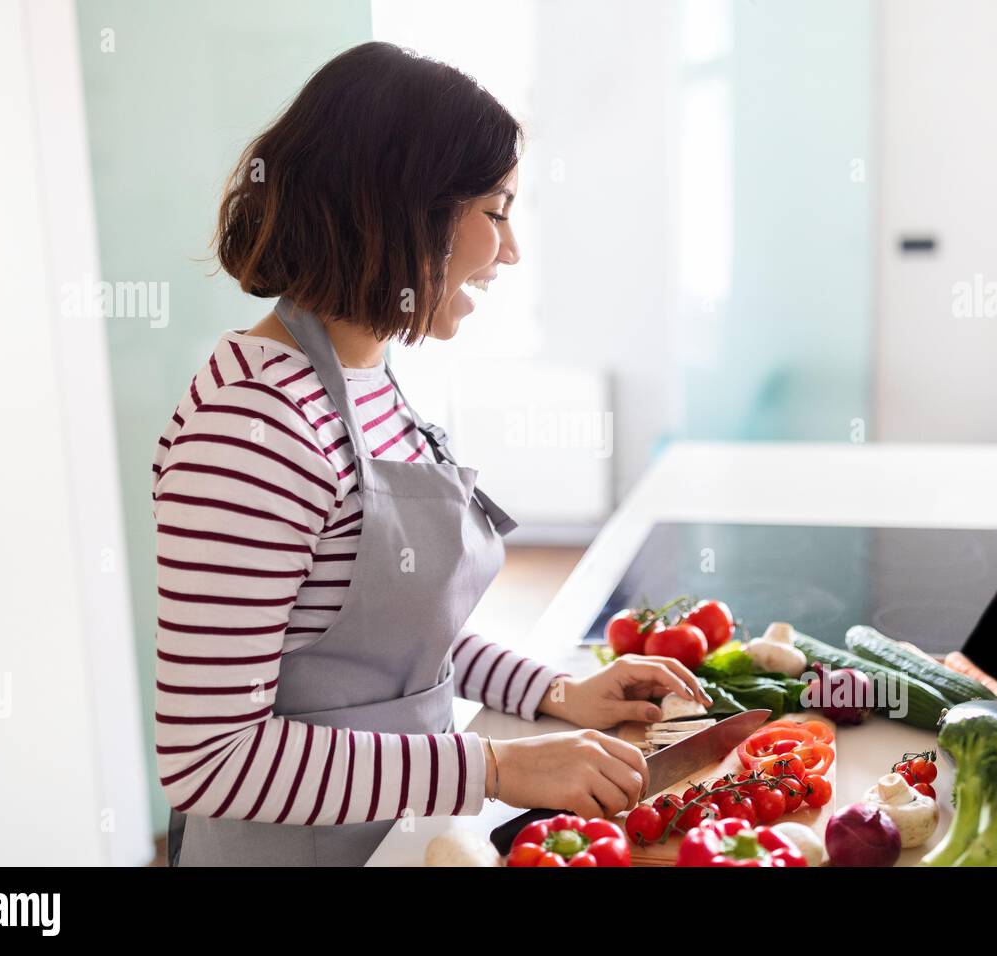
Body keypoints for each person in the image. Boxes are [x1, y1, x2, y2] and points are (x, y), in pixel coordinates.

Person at [153, 41, 710, 866]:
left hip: (391, 838)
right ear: (402, 207)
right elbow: (207, 761)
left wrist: (554, 691)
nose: (511, 251)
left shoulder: (368, 376)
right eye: (496, 211)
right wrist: (496, 766)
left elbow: (396, 643)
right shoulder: (252, 426)